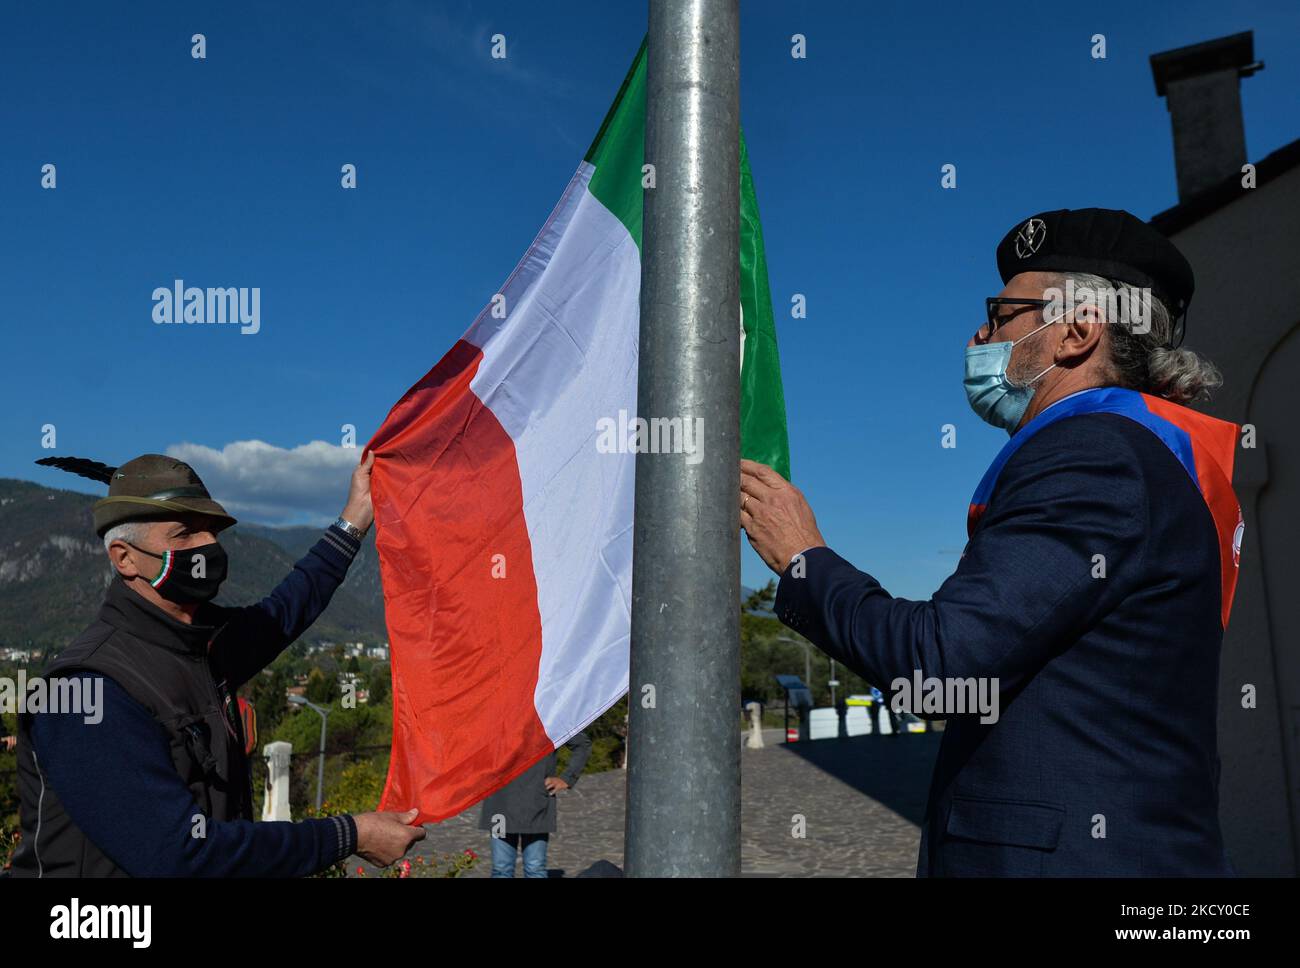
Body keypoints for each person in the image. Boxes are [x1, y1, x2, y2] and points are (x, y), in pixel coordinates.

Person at [740, 208, 1242, 876]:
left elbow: (943, 669)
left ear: (1076, 331)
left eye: (1003, 313)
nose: (979, 334)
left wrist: (803, 559)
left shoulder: (1094, 454)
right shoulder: (1149, 456)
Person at [7, 451, 425, 877]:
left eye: (212, 531)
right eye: (185, 533)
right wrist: (347, 834)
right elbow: (180, 855)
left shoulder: (201, 646)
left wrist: (354, 516)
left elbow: (287, 609)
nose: (208, 546)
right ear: (124, 558)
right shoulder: (87, 691)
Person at [479, 731, 591, 878]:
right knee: (501, 869)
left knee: (535, 868)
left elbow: (582, 744)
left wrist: (567, 778)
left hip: (536, 806)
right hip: (499, 808)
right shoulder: (493, 714)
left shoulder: (548, 714)